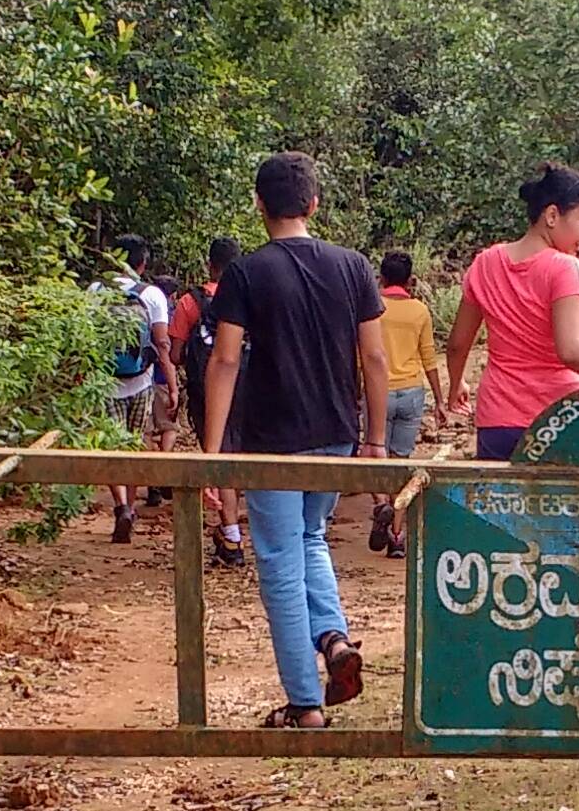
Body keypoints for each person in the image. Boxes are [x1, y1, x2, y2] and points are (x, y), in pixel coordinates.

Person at [200, 152, 390, 728]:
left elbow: (226, 360)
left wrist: (211, 456)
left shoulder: (246, 273)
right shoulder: (354, 266)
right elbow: (375, 357)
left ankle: (305, 703)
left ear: (259, 205)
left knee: (281, 562)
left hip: (272, 440)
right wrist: (376, 441)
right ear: (313, 204)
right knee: (310, 539)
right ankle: (333, 639)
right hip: (336, 433)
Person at [446, 163, 579, 460]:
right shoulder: (565, 268)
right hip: (561, 418)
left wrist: (456, 383)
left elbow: (457, 344)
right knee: (560, 506)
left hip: (498, 419)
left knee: (500, 505)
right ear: (551, 215)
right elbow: (570, 351)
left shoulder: (485, 262)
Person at [169, 236, 247, 567]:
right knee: (246, 456)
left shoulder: (190, 303)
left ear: (210, 265)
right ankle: (237, 526)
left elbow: (174, 353)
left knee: (221, 455)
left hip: (206, 394)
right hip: (249, 389)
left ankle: (231, 536)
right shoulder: (251, 296)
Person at [365, 248, 448, 554]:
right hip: (412, 391)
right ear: (410, 280)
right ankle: (397, 538)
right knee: (402, 461)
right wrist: (440, 400)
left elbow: (361, 354)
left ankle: (380, 506)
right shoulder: (420, 311)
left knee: (375, 455)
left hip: (378, 391)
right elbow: (429, 357)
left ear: (381, 279)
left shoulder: (372, 308)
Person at [98, 239, 172, 543]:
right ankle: (130, 504)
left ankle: (122, 507)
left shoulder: (96, 292)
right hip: (141, 381)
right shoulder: (151, 294)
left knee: (111, 447)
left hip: (105, 382)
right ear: (142, 264)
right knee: (134, 443)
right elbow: (163, 344)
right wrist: (172, 383)